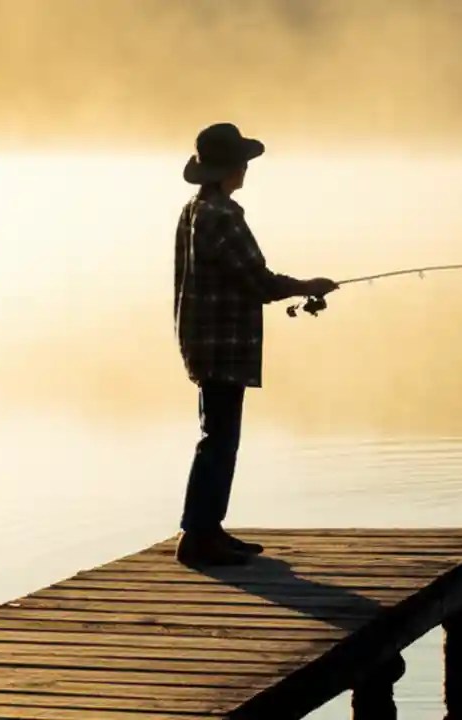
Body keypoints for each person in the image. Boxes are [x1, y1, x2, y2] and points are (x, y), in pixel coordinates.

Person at [174, 122, 337, 567]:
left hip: (202, 340)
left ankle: (208, 529)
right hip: (224, 342)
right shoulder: (224, 216)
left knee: (217, 435)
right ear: (231, 168)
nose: (247, 168)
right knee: (220, 439)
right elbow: (258, 281)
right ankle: (198, 537)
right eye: (242, 161)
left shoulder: (194, 210)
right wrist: (308, 285)